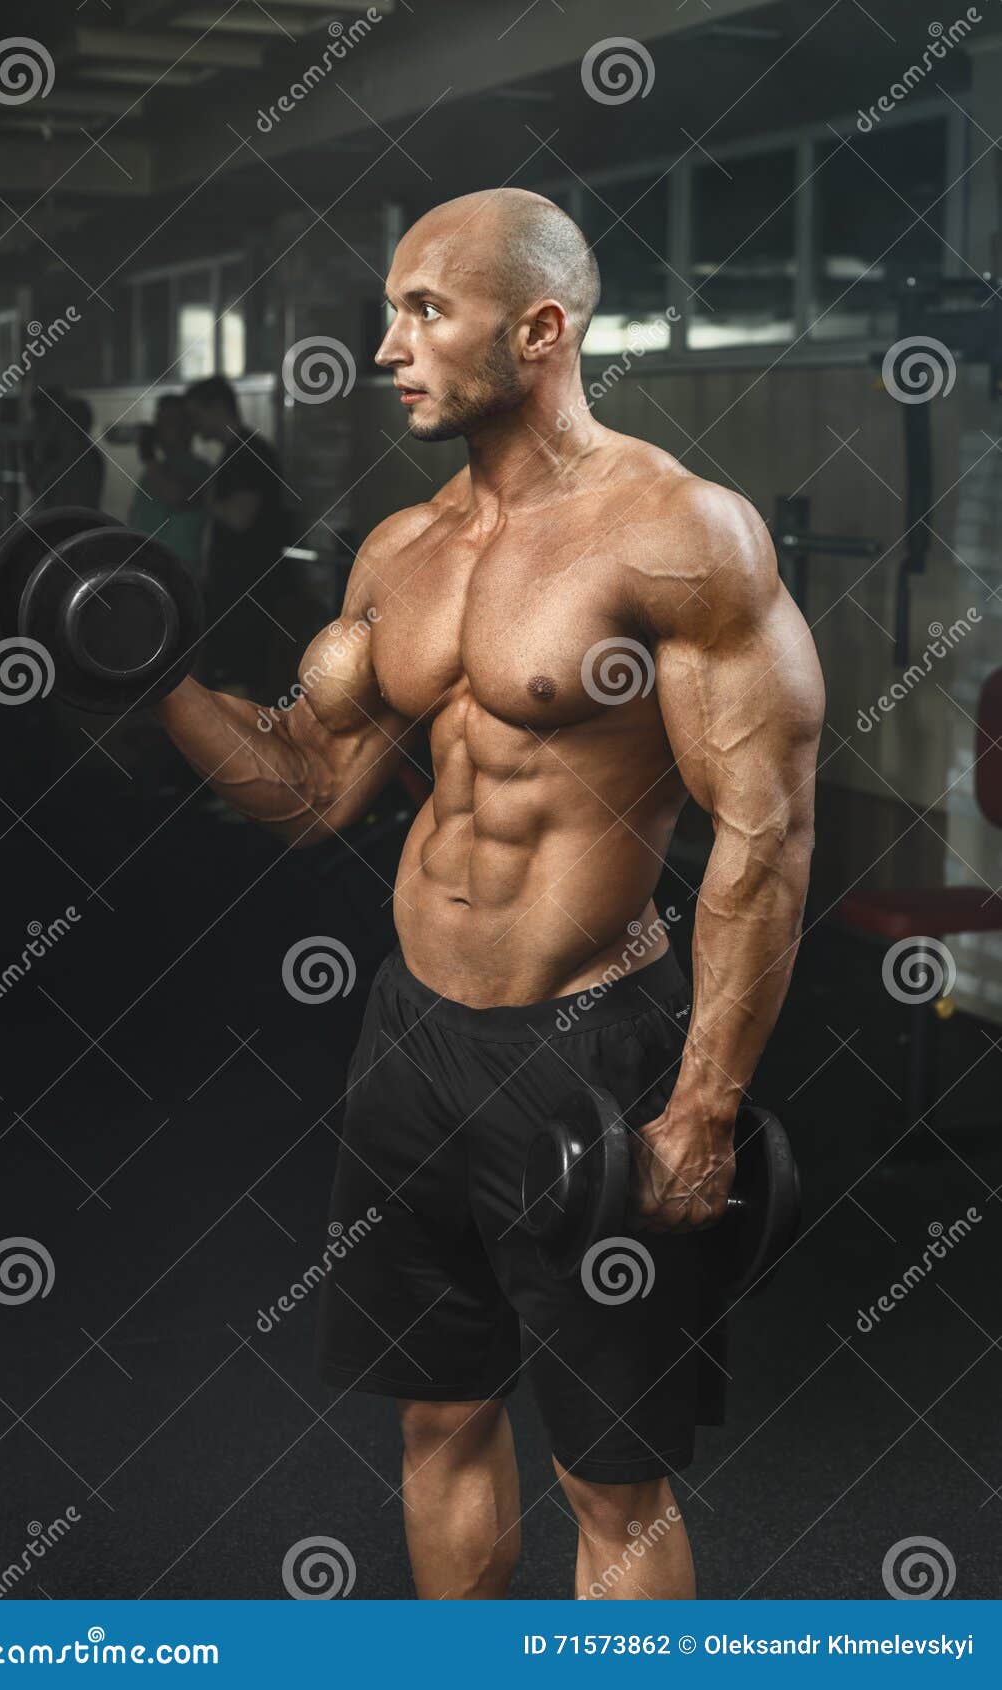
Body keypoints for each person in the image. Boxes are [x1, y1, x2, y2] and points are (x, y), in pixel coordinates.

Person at [154, 190, 825, 1600]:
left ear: (535, 328)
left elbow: (761, 837)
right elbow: (304, 796)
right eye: (388, 309)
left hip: (584, 1052)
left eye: (420, 311)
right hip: (409, 1040)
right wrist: (147, 674)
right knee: (439, 1410)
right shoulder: (399, 551)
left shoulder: (679, 537)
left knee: (610, 1476)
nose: (384, 347)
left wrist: (702, 1104)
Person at [183, 375, 284, 694]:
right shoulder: (237, 452)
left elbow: (240, 517)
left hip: (245, 592)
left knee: (238, 681)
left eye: (196, 414)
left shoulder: (248, 453)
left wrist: (207, 499)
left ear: (216, 408)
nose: (193, 424)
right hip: (234, 590)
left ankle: (239, 743)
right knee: (228, 676)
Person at [128, 394, 209, 570]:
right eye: (159, 421)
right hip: (145, 568)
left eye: (170, 422)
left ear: (188, 428)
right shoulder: (152, 470)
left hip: (179, 571)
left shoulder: (202, 470)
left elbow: (175, 497)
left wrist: (148, 455)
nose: (159, 429)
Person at [24, 386, 104, 512]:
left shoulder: (81, 459)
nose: (35, 425)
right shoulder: (55, 456)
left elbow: (74, 509)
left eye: (41, 419)